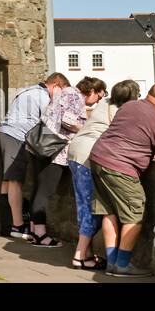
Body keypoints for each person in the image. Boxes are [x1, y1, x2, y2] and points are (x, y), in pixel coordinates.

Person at [87, 83, 155, 277]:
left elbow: (129, 132)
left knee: (108, 211)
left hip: (98, 157)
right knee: (135, 213)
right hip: (120, 166)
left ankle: (111, 263)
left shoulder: (129, 106)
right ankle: (122, 264)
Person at [66, 79, 137, 269]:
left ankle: (86, 254)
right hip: (90, 155)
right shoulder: (120, 110)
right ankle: (80, 255)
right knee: (94, 206)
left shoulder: (104, 103)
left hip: (75, 152)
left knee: (83, 204)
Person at [28, 77, 106, 248]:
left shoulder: (66, 93)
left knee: (39, 188)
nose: (97, 102)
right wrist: (86, 128)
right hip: (55, 150)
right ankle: (40, 234)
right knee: (45, 191)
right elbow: (67, 120)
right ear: (91, 91)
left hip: (45, 147)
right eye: (99, 97)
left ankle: (34, 231)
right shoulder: (75, 95)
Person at [0, 72, 70, 239]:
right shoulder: (42, 97)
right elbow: (53, 120)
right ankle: (17, 226)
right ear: (56, 85)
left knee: (6, 181)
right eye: (62, 92)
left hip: (4, 132)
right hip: (16, 135)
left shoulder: (26, 91)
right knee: (15, 180)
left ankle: (6, 225)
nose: (61, 97)